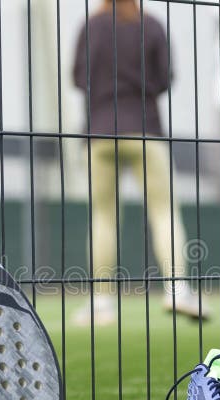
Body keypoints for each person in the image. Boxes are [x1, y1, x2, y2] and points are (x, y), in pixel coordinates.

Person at [71, 0, 207, 326]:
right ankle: (177, 290)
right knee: (163, 212)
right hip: (146, 129)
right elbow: (164, 78)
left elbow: (77, 78)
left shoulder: (91, 26)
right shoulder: (152, 25)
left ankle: (102, 304)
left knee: (103, 216)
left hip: (100, 130)